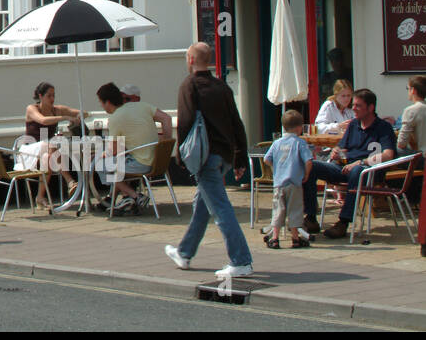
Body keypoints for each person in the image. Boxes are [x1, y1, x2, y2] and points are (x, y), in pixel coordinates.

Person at [165, 42, 254, 278]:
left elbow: (185, 122)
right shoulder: (222, 87)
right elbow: (237, 122)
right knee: (202, 205)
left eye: (187, 57)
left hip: (205, 156)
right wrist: (240, 158)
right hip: (224, 155)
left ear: (191, 60)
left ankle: (241, 260)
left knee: (221, 209)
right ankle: (184, 253)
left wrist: (180, 155)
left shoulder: (189, 85)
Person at [301, 88, 397, 239]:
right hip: (344, 167)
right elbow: (343, 147)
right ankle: (311, 217)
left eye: (358, 105)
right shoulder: (353, 125)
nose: (353, 108)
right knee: (310, 166)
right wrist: (337, 151)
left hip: (368, 171)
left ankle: (343, 222)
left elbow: (388, 154)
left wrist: (362, 161)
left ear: (370, 107)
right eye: (353, 105)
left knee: (357, 170)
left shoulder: (383, 127)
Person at [96, 82, 172, 212]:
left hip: (142, 163)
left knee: (101, 165)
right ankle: (118, 199)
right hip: (158, 161)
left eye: (101, 103)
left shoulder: (115, 118)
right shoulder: (143, 106)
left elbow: (113, 152)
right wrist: (166, 144)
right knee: (117, 164)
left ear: (107, 102)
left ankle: (135, 196)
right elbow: (167, 118)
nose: (102, 106)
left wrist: (98, 155)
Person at [17, 82, 79, 208]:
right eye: (49, 96)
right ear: (40, 96)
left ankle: (40, 197)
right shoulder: (32, 109)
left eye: (53, 95)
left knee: (48, 157)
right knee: (51, 143)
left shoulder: (56, 110)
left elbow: (83, 113)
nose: (52, 99)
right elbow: (43, 120)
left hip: (46, 151)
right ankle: (69, 180)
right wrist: (64, 117)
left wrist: (78, 117)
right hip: (30, 152)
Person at [262, 110, 313, 249]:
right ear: (299, 128)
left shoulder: (277, 143)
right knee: (295, 210)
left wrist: (276, 167)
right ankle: (295, 238)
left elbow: (266, 159)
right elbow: (308, 161)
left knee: (278, 210)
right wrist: (306, 174)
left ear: (284, 127)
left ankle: (275, 238)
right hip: (294, 182)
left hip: (279, 183)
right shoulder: (300, 143)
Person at [397, 75, 426, 157]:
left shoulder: (411, 110)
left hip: (423, 157)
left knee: (396, 150)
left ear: (413, 90)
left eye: (408, 88)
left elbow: (401, 143)